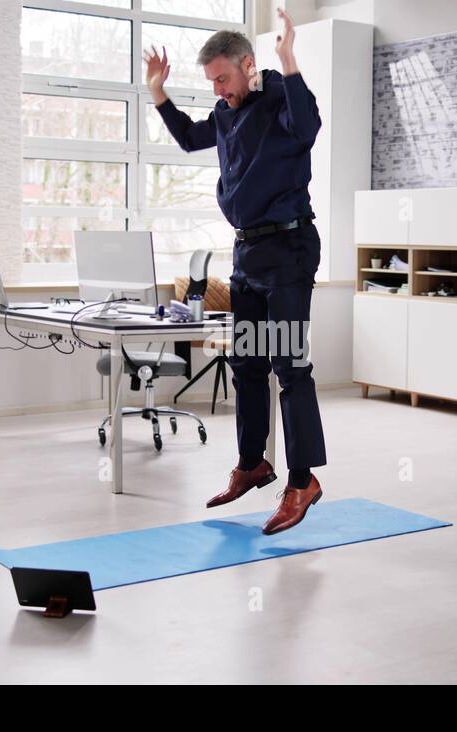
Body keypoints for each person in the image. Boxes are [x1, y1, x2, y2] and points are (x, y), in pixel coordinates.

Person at [145, 9, 326, 535]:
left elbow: (310, 128)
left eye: (223, 78)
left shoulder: (280, 99)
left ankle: (303, 481)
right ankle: (253, 464)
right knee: (248, 363)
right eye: (212, 82)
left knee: (290, 368)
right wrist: (159, 93)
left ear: (249, 65)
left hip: (289, 250)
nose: (219, 91)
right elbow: (188, 137)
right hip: (247, 257)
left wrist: (289, 62)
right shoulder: (228, 112)